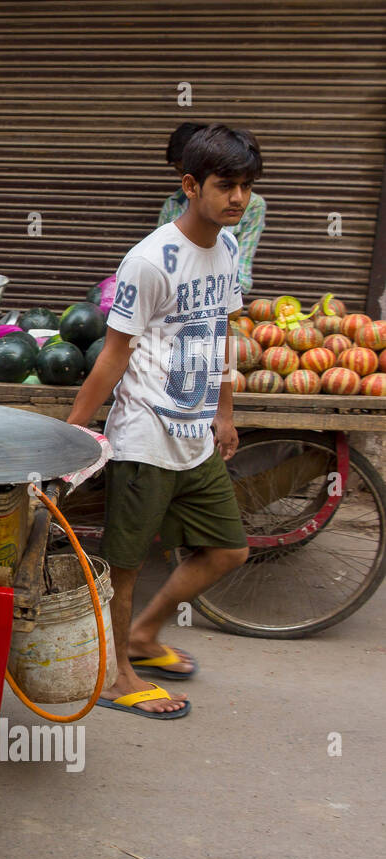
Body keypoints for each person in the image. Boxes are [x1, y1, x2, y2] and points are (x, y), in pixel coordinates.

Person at [67, 124, 259, 719]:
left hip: (197, 436)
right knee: (124, 566)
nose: (238, 199)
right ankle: (117, 676)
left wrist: (225, 412)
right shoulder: (148, 261)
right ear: (189, 185)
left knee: (229, 549)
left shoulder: (227, 247)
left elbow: (223, 331)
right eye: (225, 186)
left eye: (246, 187)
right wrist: (73, 433)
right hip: (146, 435)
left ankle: (143, 637)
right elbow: (113, 355)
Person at [158, 121, 266, 294]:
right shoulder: (145, 258)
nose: (237, 198)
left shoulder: (229, 242)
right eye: (180, 171)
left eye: (246, 185)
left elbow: (242, 281)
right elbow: (159, 274)